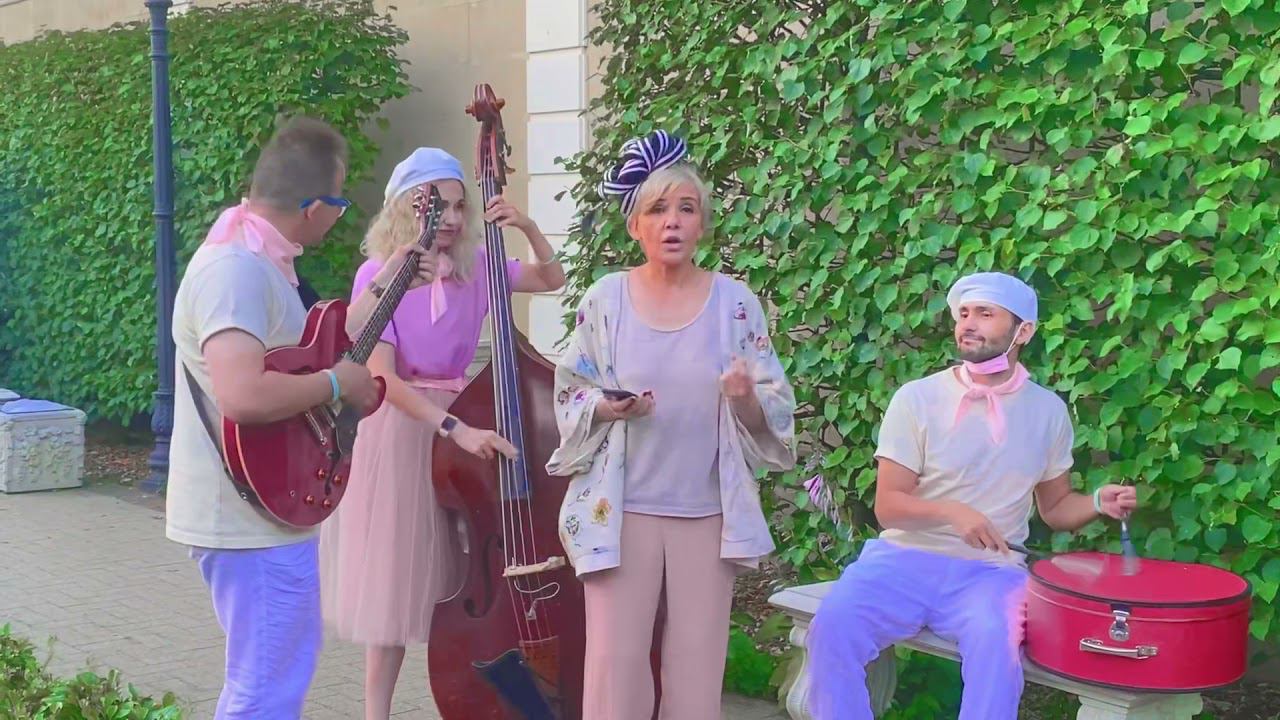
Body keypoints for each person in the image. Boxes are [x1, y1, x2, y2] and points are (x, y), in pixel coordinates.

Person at [165, 116, 435, 719]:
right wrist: (339, 384)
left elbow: (317, 347)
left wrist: (389, 282)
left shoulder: (262, 259)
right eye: (339, 204)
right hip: (244, 516)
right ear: (315, 208)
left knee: (272, 676)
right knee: (266, 688)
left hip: (261, 508)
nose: (338, 216)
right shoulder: (235, 271)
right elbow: (242, 394)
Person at [805, 271, 1140, 720]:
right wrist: (952, 513)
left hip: (990, 574)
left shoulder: (1049, 412)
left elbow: (1056, 508)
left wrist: (1098, 503)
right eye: (963, 314)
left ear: (1023, 331)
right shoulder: (917, 398)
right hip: (901, 561)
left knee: (996, 645)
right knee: (832, 627)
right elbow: (889, 507)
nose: (968, 324)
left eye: (985, 314)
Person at [545, 130, 798, 720]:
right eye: (658, 209)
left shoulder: (735, 303)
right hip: (619, 513)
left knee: (696, 671)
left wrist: (743, 399)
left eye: (686, 208)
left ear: (702, 223)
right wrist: (607, 407)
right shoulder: (605, 300)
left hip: (707, 514)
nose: (673, 222)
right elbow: (572, 389)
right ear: (635, 225)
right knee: (614, 673)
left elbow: (774, 409)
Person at [318, 146, 567, 720]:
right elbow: (382, 378)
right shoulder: (379, 274)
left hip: (462, 424)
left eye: (459, 205)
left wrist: (527, 227)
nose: (452, 218)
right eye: (437, 206)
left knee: (468, 575)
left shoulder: (478, 266)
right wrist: (453, 427)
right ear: (407, 209)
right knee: (393, 590)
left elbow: (551, 278)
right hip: (403, 429)